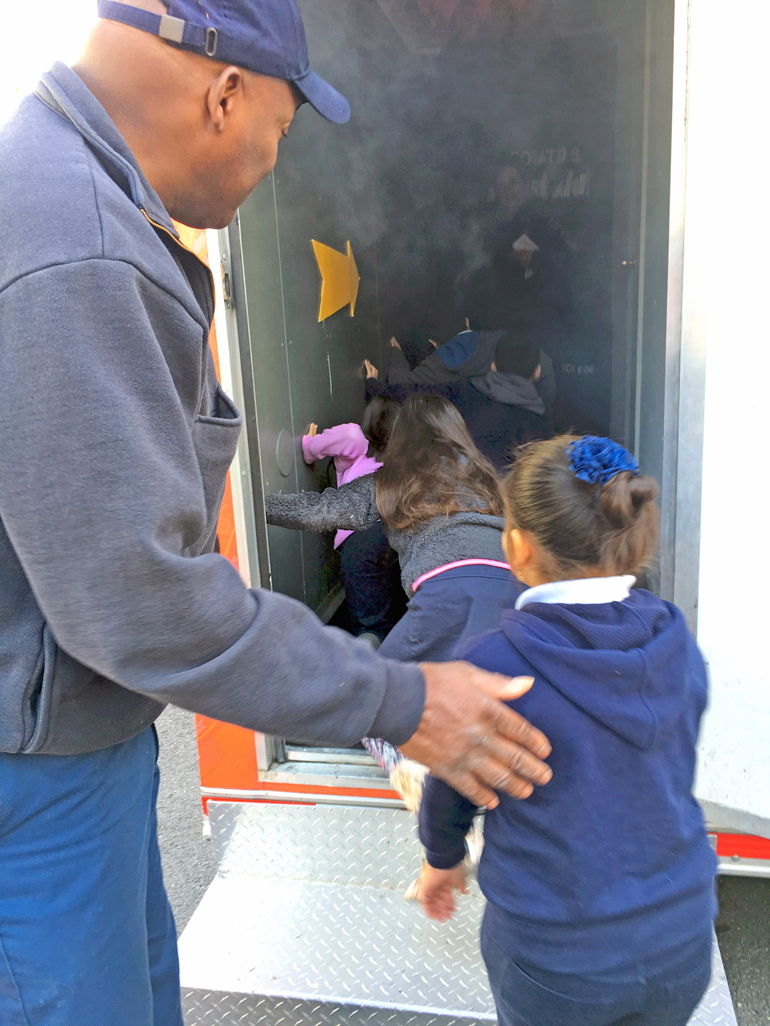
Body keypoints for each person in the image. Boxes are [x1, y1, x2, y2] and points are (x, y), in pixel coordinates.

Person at [0, 3, 553, 1024]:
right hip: (33, 778)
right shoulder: (78, 249)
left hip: (70, 736)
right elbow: (139, 600)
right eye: (282, 131)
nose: (271, 164)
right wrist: (402, 699)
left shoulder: (64, 199)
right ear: (225, 94)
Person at [418, 435, 717, 1026]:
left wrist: (442, 857)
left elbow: (453, 779)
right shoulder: (674, 637)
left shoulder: (494, 664)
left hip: (557, 959)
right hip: (682, 939)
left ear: (517, 546)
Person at [301, 398, 404, 641]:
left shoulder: (358, 447)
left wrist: (310, 445)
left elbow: (349, 435)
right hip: (399, 533)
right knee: (398, 611)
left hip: (363, 538)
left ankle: (369, 659)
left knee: (369, 624)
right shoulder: (405, 455)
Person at [365, 336, 550, 471]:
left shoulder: (466, 389)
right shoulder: (539, 425)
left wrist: (375, 385)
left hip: (455, 483)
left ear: (493, 365)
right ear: (537, 372)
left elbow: (415, 393)